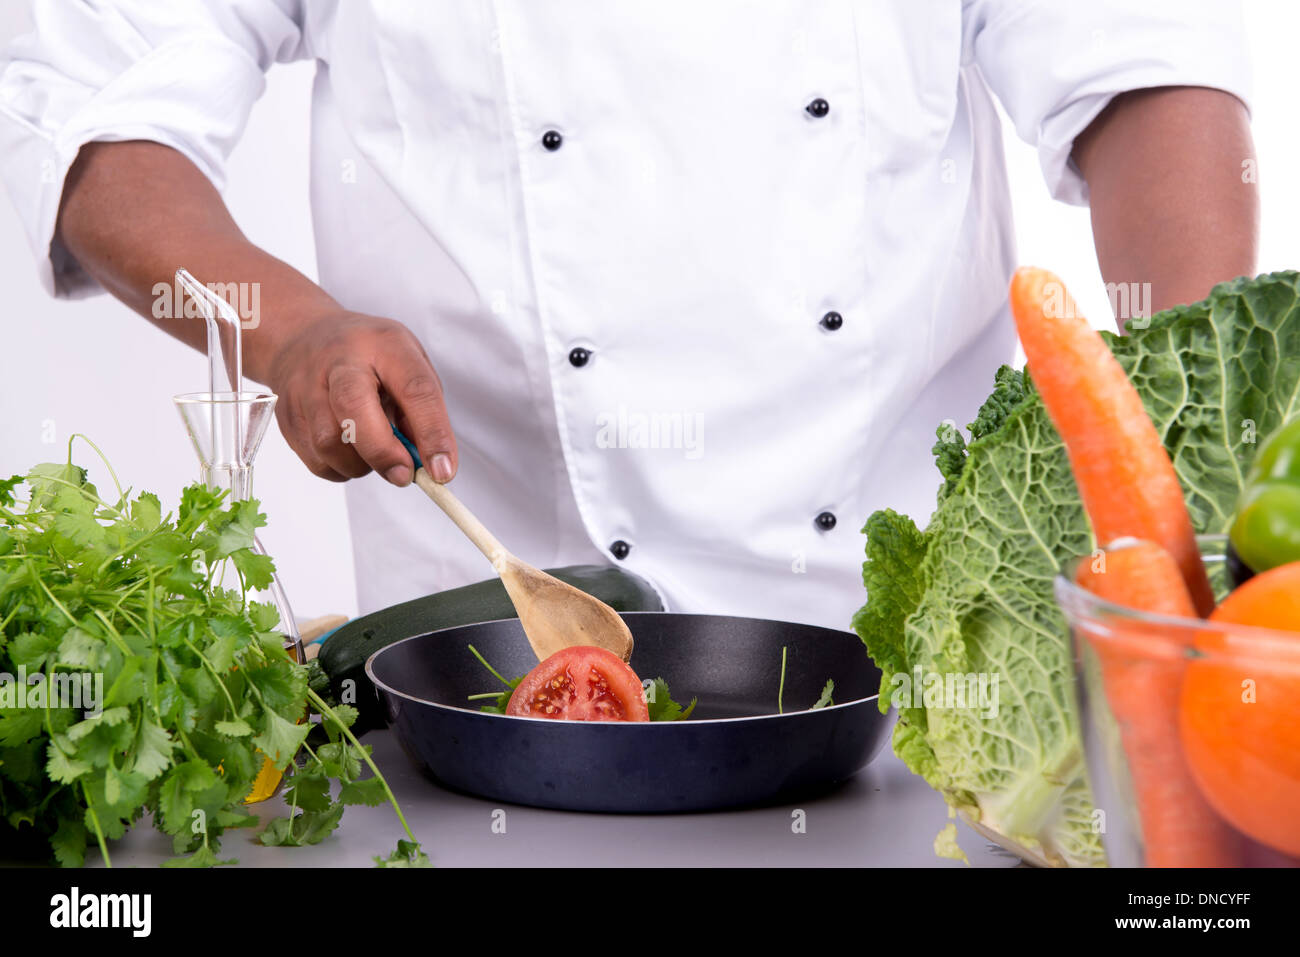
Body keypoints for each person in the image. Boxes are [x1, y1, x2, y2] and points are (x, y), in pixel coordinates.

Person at [0, 1, 1257, 628]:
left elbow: (1149, 72)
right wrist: (285, 333)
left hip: (930, 633)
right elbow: (106, 126)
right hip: (486, 652)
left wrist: (1187, 440)